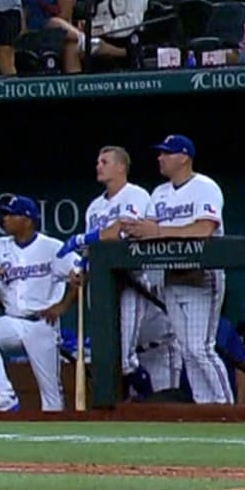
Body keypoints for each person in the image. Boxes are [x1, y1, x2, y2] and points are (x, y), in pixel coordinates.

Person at [119, 135, 233, 404]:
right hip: (171, 277)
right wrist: (135, 229)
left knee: (200, 347)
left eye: (166, 153)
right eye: (160, 153)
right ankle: (206, 408)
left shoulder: (205, 187)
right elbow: (148, 228)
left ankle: (226, 408)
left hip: (202, 276)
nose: (160, 158)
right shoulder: (160, 193)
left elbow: (204, 229)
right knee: (186, 349)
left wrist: (157, 231)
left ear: (183, 157)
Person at [57, 146, 176, 401]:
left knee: (123, 359)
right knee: (105, 356)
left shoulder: (136, 195)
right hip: (101, 285)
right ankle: (122, 406)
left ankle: (148, 404)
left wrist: (81, 238)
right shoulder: (94, 207)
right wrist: (81, 269)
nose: (98, 165)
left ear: (121, 167)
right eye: (98, 161)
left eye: (105, 161)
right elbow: (92, 248)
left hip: (131, 281)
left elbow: (121, 231)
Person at [0, 195, 81, 413]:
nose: (5, 218)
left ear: (28, 220)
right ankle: (5, 395)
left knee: (51, 396)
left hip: (42, 323)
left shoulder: (52, 247)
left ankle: (54, 439)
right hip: (13, 320)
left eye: (11, 215)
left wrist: (62, 305)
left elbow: (80, 275)